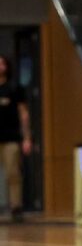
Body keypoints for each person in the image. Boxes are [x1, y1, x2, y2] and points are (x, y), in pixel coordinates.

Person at [0, 55, 30, 223]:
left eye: (2, 63)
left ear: (7, 67)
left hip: (11, 138)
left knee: (13, 173)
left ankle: (16, 207)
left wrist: (26, 137)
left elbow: (24, 114)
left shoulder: (14, 88)